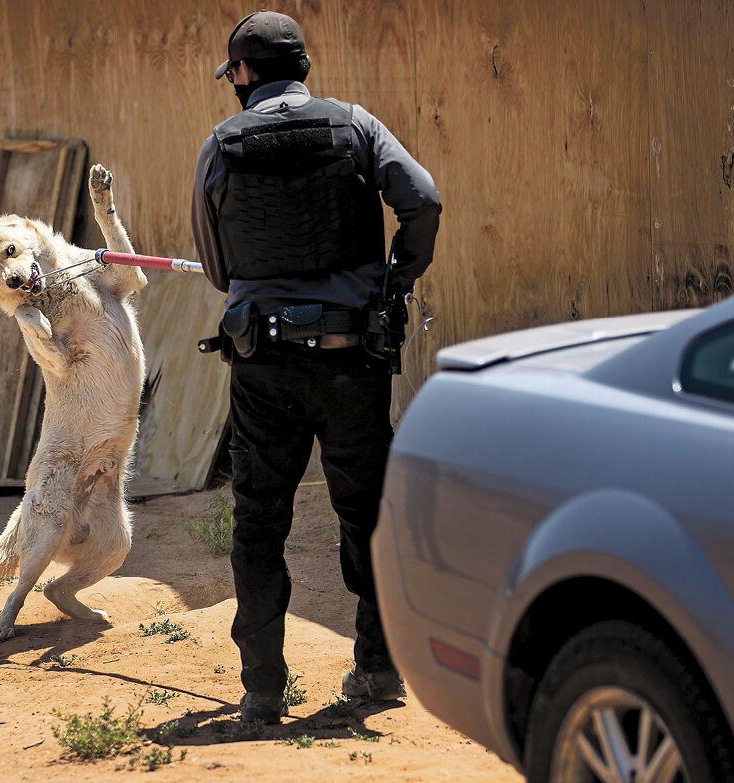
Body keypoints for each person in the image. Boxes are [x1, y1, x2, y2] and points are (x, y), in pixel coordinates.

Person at [191, 9, 441, 724]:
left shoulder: (219, 145)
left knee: (259, 522)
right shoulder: (356, 125)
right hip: (351, 360)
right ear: (302, 66)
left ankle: (262, 691)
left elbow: (214, 266)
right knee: (367, 513)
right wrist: (396, 279)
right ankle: (377, 669)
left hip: (263, 366)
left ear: (242, 73)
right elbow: (421, 198)